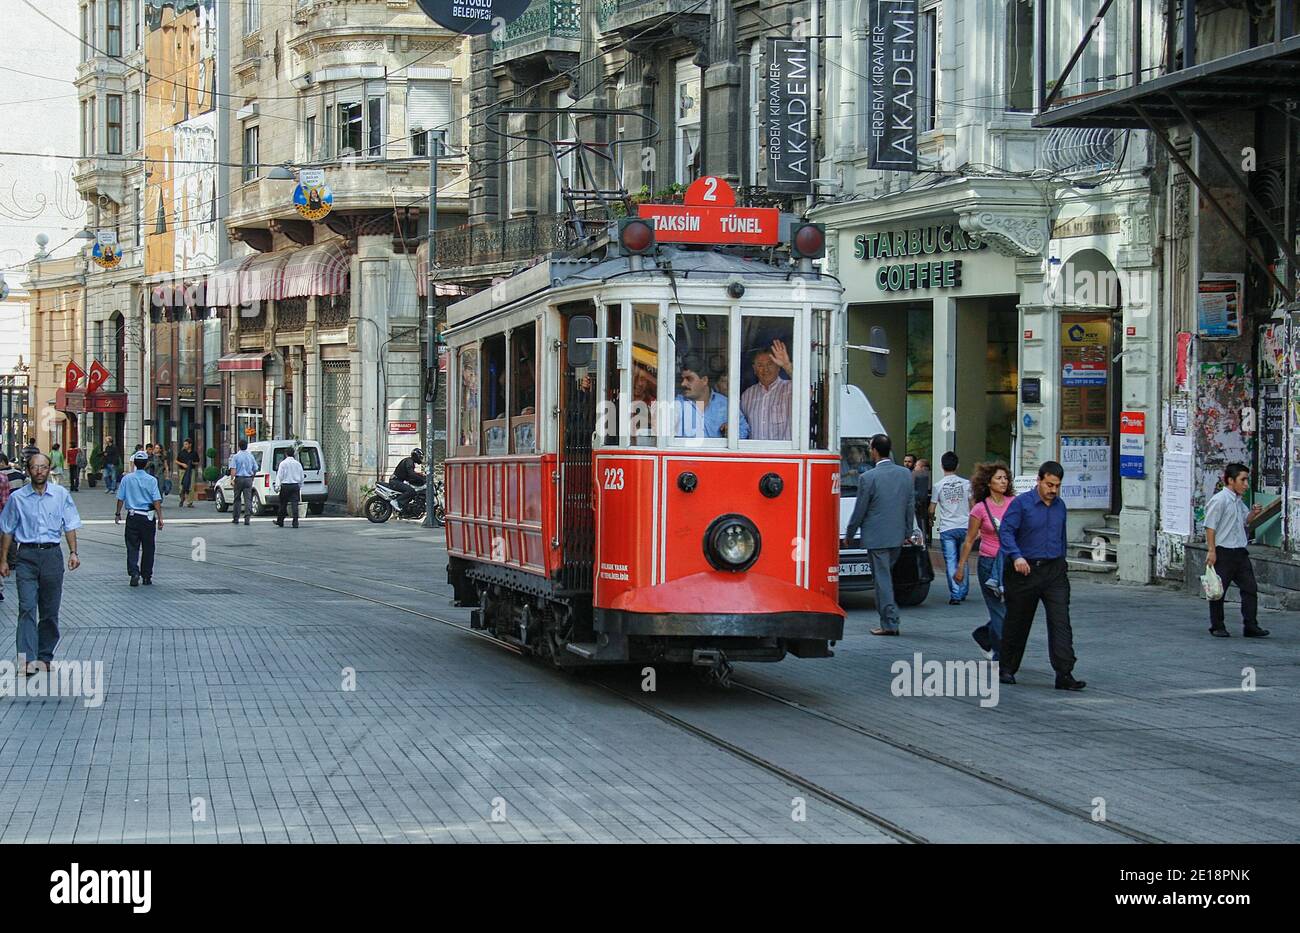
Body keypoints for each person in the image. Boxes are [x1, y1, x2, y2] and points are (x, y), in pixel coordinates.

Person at [997, 460, 1086, 690]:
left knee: (1060, 621)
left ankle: (1064, 673)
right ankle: (1007, 667)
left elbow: (1061, 537)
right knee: (1018, 620)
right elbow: (1006, 531)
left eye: (1057, 486)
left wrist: (1062, 562)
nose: (1053, 490)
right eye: (1049, 484)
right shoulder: (1021, 504)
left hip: (1054, 571)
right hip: (1024, 569)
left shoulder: (1060, 506)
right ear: (1038, 480)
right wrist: (1016, 556)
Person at [0, 452, 82, 676]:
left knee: (49, 611)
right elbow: (7, 529)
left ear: (49, 469)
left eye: (43, 467)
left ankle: (44, 657)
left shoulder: (60, 494)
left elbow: (70, 524)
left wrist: (74, 552)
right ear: (28, 470)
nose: (39, 471)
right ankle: (26, 660)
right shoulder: (18, 498)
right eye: (35, 467)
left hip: (52, 556)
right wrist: (3, 560)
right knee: (26, 607)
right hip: (26, 555)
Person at [843, 434, 915, 636]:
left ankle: (890, 622)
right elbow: (910, 506)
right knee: (886, 577)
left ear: (873, 450)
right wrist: (908, 532)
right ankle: (888, 620)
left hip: (877, 537)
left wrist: (849, 533)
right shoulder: (904, 474)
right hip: (897, 535)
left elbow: (860, 510)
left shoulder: (868, 478)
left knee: (882, 580)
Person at [955, 461, 1013, 662]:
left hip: (1009, 562)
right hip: (988, 563)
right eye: (999, 478)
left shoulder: (1014, 503)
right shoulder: (980, 509)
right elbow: (970, 539)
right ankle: (1001, 654)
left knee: (1011, 609)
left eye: (1005, 478)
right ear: (988, 482)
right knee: (997, 608)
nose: (1003, 481)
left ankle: (984, 634)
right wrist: (961, 566)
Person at [1204, 463, 1270, 638]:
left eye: (1247, 480)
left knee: (1250, 589)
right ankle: (1217, 625)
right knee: (1218, 591)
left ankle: (1250, 625)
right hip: (1223, 551)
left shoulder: (1238, 501)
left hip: (1240, 552)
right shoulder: (1219, 500)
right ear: (1231, 480)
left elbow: (1244, 521)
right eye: (1243, 480)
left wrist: (1253, 513)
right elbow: (1210, 527)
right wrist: (1212, 551)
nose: (1246, 484)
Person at [115, 449, 163, 586]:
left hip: (133, 516)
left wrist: (118, 513)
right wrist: (160, 518)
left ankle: (134, 572)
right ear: (147, 463)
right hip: (148, 518)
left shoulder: (127, 479)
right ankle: (147, 576)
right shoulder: (152, 480)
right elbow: (156, 500)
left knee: (132, 546)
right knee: (149, 547)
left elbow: (120, 498)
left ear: (135, 463)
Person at [674, 353, 749, 440]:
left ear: (704, 380)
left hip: (718, 453)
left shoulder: (725, 404)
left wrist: (733, 430)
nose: (683, 384)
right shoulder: (677, 404)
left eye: (689, 379)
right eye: (682, 379)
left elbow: (744, 430)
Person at [930, 451, 971, 605]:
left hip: (947, 527)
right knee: (964, 559)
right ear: (957, 465)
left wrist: (931, 520)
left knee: (951, 561)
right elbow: (973, 505)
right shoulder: (967, 484)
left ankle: (955, 593)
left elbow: (931, 509)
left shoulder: (938, 486)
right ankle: (964, 590)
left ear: (941, 466)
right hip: (965, 526)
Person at [740, 340, 793, 441]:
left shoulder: (791, 388)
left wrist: (787, 365)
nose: (765, 369)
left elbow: (807, 393)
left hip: (784, 455)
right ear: (754, 370)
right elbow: (742, 426)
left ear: (778, 367)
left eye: (770, 364)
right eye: (760, 365)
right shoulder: (747, 395)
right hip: (755, 454)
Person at [228, 440, 258, 525]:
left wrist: (232, 479)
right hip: (248, 478)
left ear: (239, 446)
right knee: (248, 499)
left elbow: (233, 469)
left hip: (239, 479)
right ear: (246, 446)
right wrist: (252, 477)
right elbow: (255, 468)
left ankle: (236, 518)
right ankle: (247, 518)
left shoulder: (236, 456)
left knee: (237, 498)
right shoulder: (250, 456)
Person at [390, 448, 427, 516]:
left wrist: (420, 475)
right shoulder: (409, 461)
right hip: (395, 482)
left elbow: (410, 473)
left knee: (412, 491)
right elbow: (411, 474)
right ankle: (396, 501)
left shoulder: (410, 461)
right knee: (411, 491)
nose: (421, 458)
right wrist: (422, 479)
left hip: (398, 481)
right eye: (420, 457)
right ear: (416, 456)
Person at [275, 448, 305, 528]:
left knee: (283, 504)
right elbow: (302, 475)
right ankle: (295, 522)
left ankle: (280, 521)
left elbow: (279, 475)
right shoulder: (298, 464)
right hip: (295, 486)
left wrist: (277, 485)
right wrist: (301, 485)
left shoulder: (283, 463)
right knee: (295, 504)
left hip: (285, 486)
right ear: (293, 454)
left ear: (286, 454)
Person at [176, 438, 199, 508]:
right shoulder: (182, 452)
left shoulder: (194, 453)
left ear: (190, 445)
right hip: (182, 471)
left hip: (191, 470)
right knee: (181, 486)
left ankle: (190, 502)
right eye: (184, 444)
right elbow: (176, 461)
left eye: (186, 444)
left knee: (191, 486)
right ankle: (182, 498)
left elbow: (197, 462)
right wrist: (182, 464)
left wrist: (192, 463)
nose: (185, 445)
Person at [913, 458, 933, 539]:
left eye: (916, 465)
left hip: (916, 502)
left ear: (922, 467)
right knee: (923, 521)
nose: (915, 467)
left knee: (917, 522)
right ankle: (924, 537)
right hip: (925, 502)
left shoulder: (915, 474)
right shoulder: (929, 475)